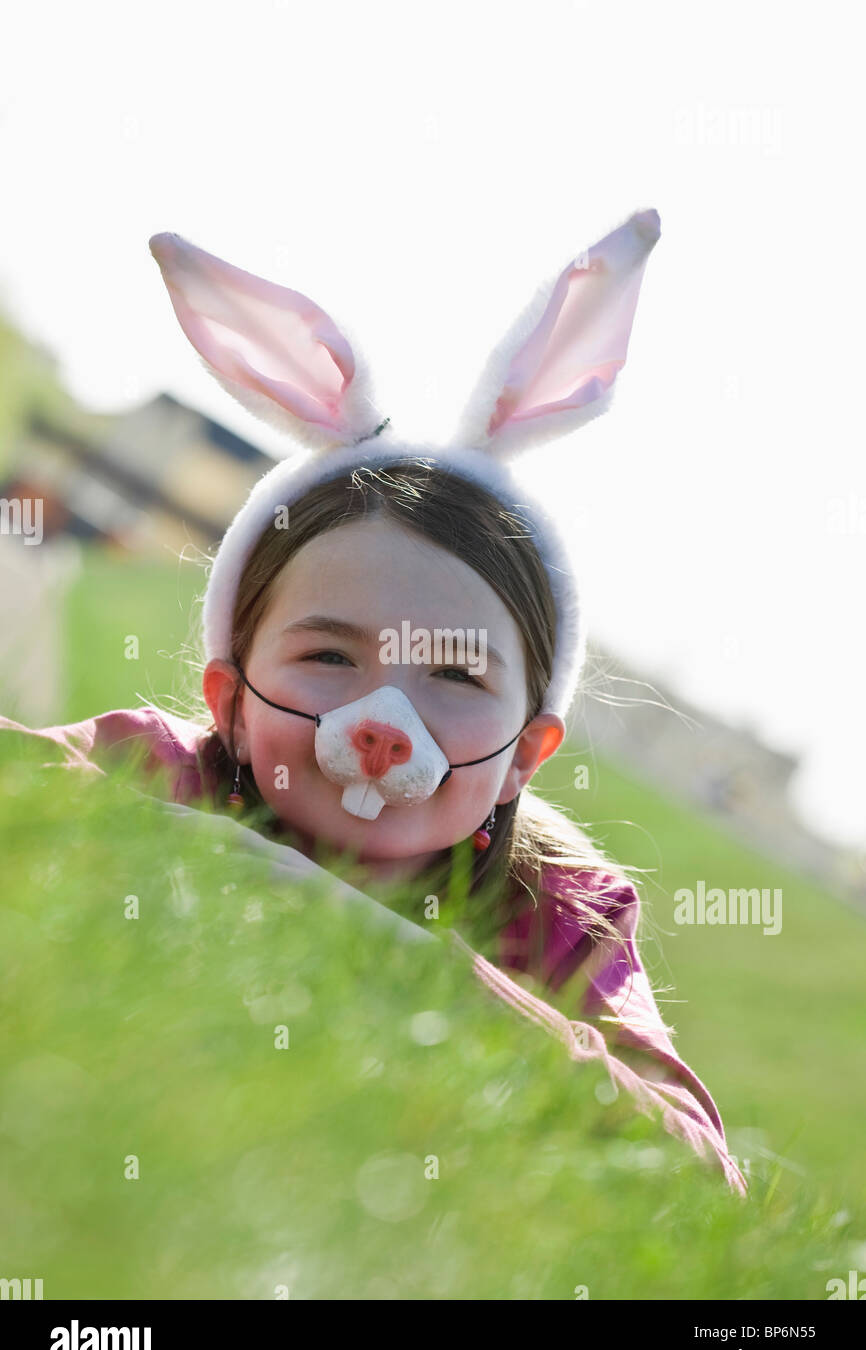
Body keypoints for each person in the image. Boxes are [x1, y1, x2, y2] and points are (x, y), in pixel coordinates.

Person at [0, 209, 748, 1197]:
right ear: (227, 694)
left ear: (526, 752)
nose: (381, 725)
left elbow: (699, 1177)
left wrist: (400, 960)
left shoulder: (562, 914)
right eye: (326, 654)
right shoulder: (156, 771)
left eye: (452, 674)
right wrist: (205, 857)